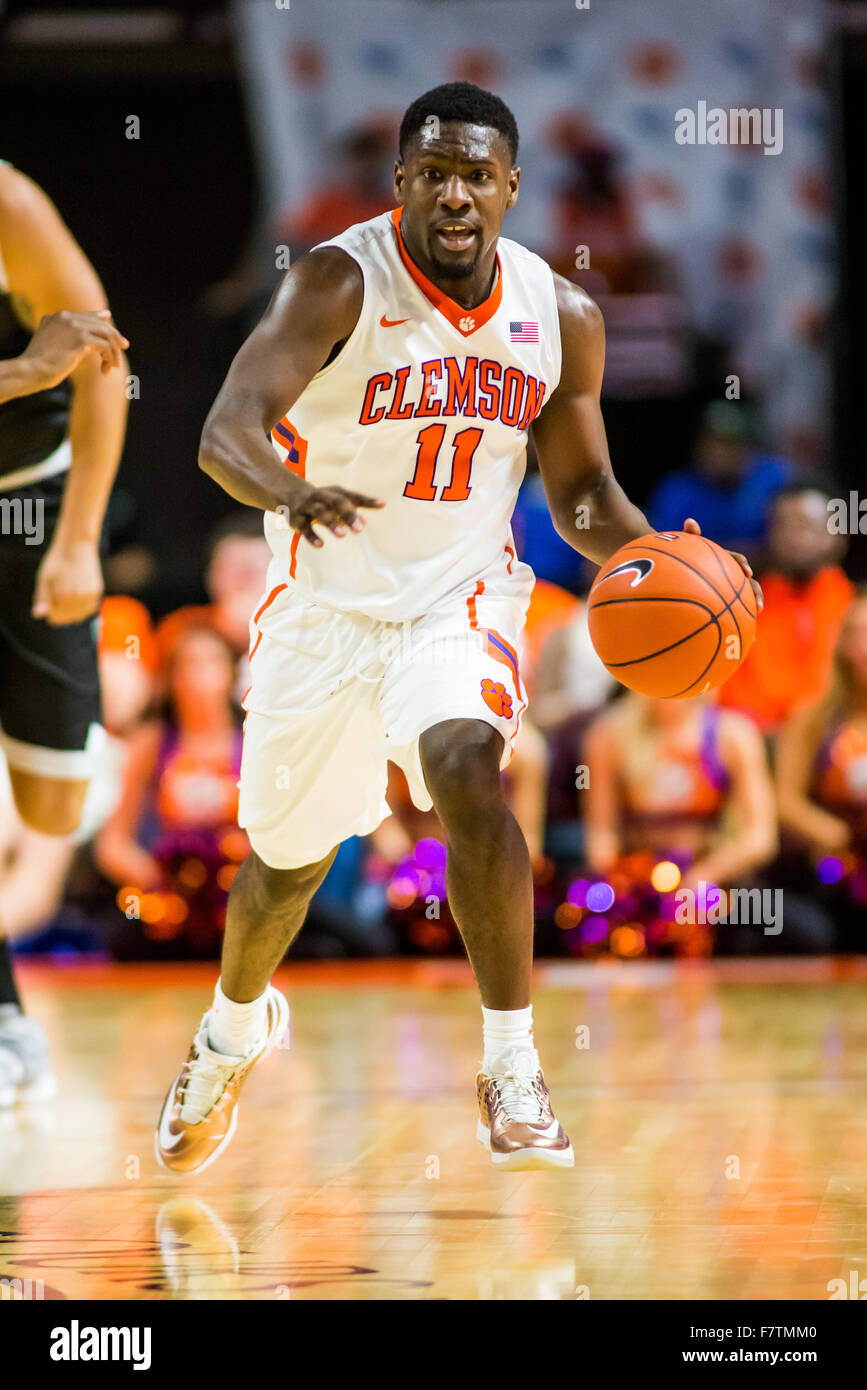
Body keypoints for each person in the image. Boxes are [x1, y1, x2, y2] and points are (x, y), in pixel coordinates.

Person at [155, 82, 760, 1174]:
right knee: (284, 868)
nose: (454, 192)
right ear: (400, 184)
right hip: (324, 606)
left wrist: (676, 564)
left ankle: (512, 1062)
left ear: (510, 187)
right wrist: (288, 492)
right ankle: (231, 1030)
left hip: (462, 595)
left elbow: (579, 494)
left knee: (467, 764)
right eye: (431, 172)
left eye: (476, 173)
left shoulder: (561, 315)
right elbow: (223, 432)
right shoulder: (340, 280)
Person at [0, 161, 128, 1102]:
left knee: (50, 806)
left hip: (28, 510)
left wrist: (79, 539)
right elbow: (43, 362)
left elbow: (100, 362)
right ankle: (6, 1011)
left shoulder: (9, 204)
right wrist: (19, 370)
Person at [583, 692, 778, 955]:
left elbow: (760, 838)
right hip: (641, 885)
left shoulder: (733, 735)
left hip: (714, 879)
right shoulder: (608, 735)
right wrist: (624, 882)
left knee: (780, 923)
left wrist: (705, 875)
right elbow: (600, 835)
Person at [96, 626, 245, 956]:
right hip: (169, 899)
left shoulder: (255, 743)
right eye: (188, 664)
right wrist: (159, 883)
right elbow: (113, 844)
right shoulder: (151, 744)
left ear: (232, 673)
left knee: (340, 938)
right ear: (171, 678)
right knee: (120, 940)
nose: (200, 674)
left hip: (242, 897)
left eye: (211, 661)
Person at [719, 483, 853, 734]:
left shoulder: (855, 608)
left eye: (806, 527)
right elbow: (727, 697)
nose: (793, 538)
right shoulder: (743, 605)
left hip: (838, 745)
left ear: (837, 536)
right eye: (783, 526)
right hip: (757, 742)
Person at [776, 590, 867, 950]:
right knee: (817, 934)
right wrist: (839, 837)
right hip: (830, 865)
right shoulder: (813, 717)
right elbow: (786, 799)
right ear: (843, 644)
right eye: (858, 634)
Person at [647, 400, 791, 554]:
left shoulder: (774, 479)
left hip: (764, 573)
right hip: (696, 571)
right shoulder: (676, 490)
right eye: (715, 443)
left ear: (747, 446)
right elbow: (664, 547)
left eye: (731, 443)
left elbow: (790, 541)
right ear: (699, 446)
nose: (722, 452)